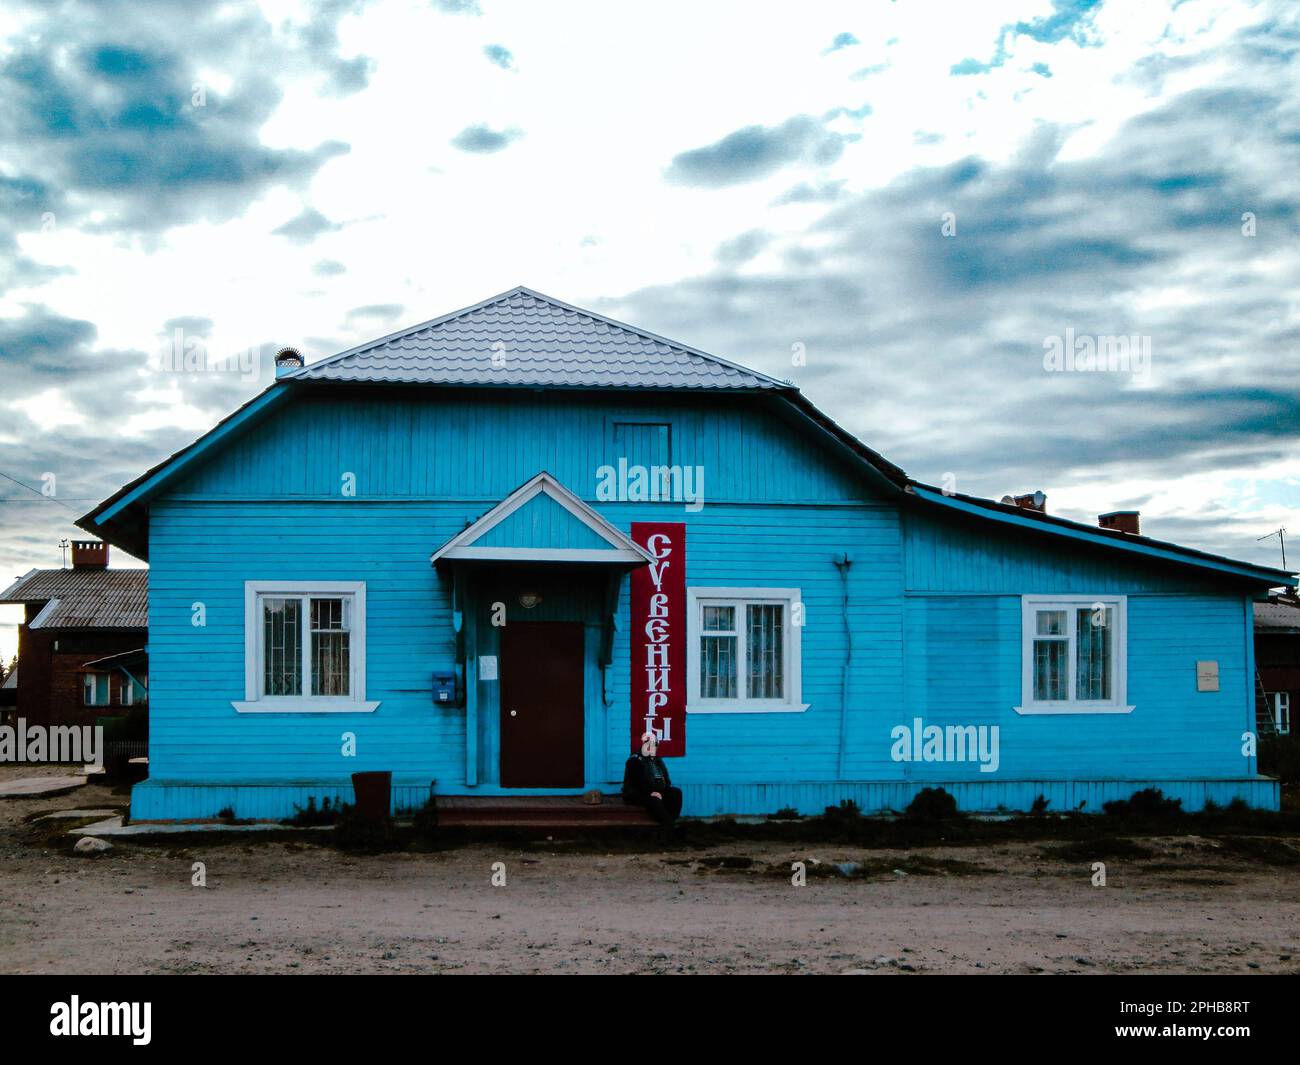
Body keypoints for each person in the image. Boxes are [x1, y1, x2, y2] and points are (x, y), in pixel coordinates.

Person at [622, 731, 683, 827]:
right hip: (636, 794)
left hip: (656, 791)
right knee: (654, 800)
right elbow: (638, 784)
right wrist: (651, 793)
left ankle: (672, 819)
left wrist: (661, 791)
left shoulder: (657, 759)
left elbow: (666, 779)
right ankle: (670, 825)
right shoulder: (634, 760)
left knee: (676, 793)